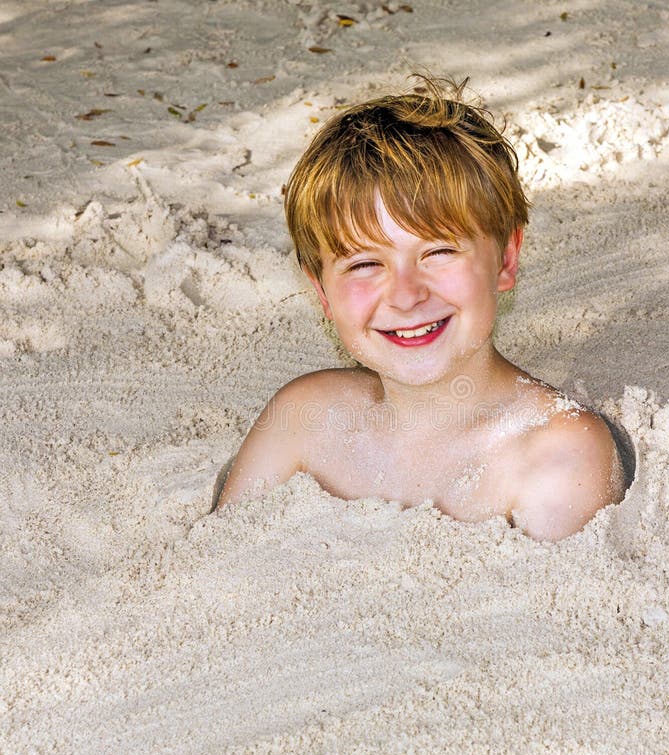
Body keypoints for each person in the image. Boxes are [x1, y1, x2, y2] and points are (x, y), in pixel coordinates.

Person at [216, 76, 625, 540]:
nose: (407, 295)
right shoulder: (304, 421)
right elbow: (211, 567)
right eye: (366, 264)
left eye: (439, 253)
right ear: (323, 294)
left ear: (506, 260)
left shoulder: (559, 456)